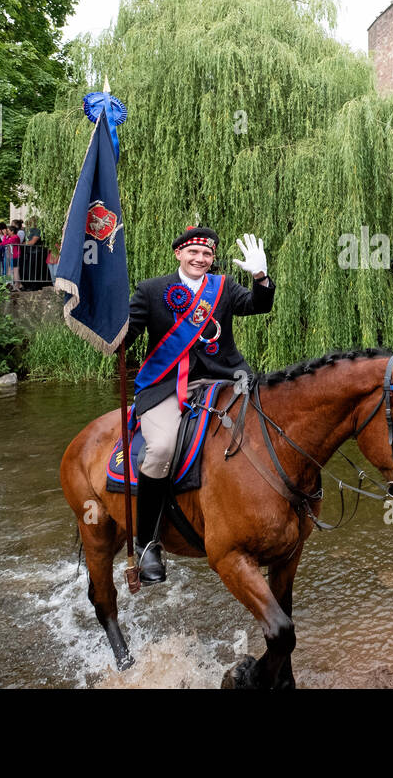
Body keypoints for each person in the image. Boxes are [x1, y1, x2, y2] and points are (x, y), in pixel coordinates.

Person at [123, 227, 275, 585]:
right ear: (178, 253)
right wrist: (112, 322)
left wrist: (260, 277)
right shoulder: (150, 290)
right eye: (193, 252)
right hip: (166, 387)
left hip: (225, 380)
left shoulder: (222, 288)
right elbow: (126, 337)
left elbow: (258, 305)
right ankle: (147, 544)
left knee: (269, 430)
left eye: (207, 255)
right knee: (159, 450)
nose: (200, 259)